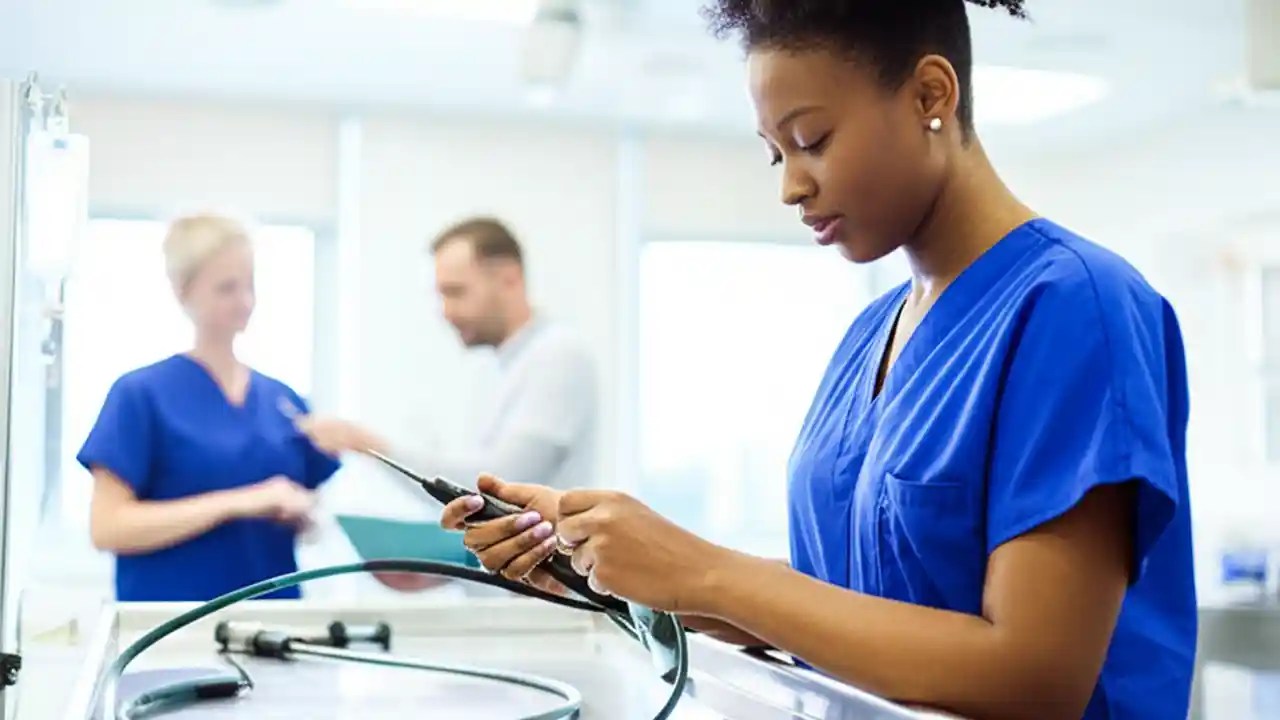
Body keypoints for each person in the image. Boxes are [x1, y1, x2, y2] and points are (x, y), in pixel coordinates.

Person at [440, 2, 1196, 719]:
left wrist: (704, 570)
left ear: (931, 94)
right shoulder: (874, 332)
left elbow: (1034, 677)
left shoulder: (1077, 307)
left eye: (813, 141)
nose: (790, 186)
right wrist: (606, 568)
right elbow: (841, 610)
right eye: (775, 153)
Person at [79, 212, 384, 602]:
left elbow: (310, 518)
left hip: (274, 628)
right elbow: (108, 528)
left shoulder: (284, 401)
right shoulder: (140, 395)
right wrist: (241, 501)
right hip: (173, 627)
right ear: (182, 291)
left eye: (250, 286)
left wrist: (299, 513)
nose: (245, 301)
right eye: (226, 288)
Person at [404, 217, 598, 491]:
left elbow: (500, 484)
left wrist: (374, 448)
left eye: (456, 291)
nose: (446, 312)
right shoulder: (499, 367)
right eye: (441, 295)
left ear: (510, 279)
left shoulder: (559, 355)